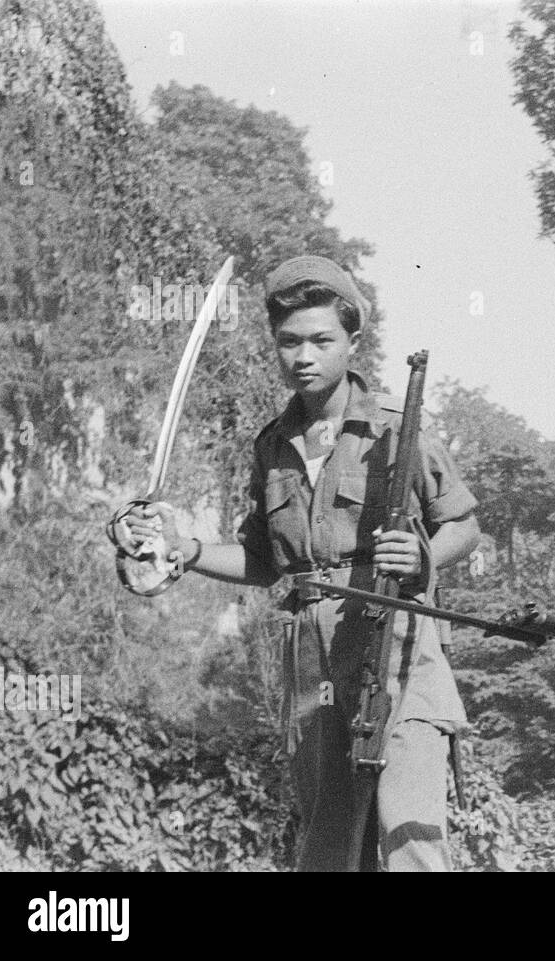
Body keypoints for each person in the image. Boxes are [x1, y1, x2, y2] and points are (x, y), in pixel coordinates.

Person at [113, 255, 480, 871]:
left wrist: (423, 556)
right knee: (329, 847)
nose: (303, 357)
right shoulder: (272, 446)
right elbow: (264, 560)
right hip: (312, 664)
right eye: (288, 342)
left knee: (409, 841)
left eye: (320, 340)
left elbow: (463, 526)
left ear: (352, 342)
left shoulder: (397, 428)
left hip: (399, 654)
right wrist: (187, 550)